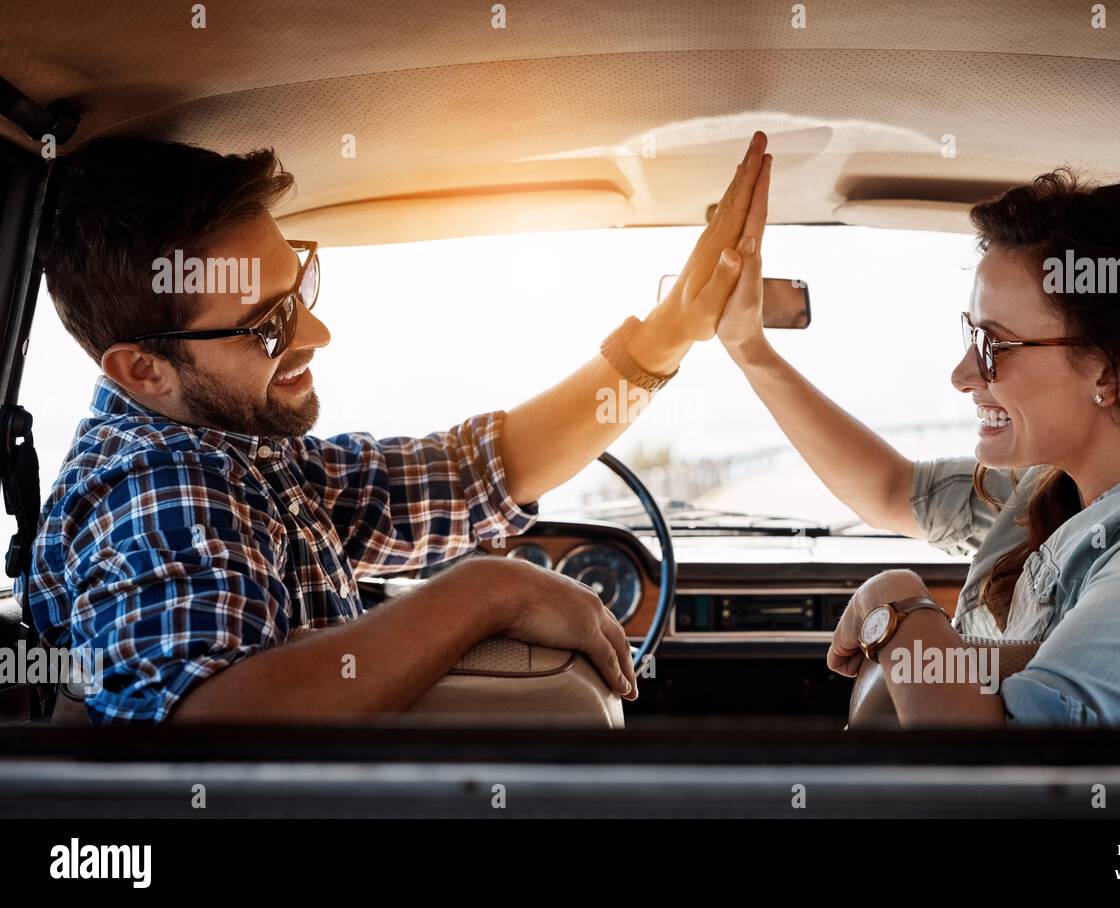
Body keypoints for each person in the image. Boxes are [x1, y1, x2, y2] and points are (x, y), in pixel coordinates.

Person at [23, 130, 774, 724]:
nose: (315, 331)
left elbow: (475, 473)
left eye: (302, 285)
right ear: (143, 371)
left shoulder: (240, 451)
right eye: (268, 324)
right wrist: (486, 591)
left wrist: (670, 332)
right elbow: (212, 724)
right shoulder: (157, 483)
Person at [717, 167, 1120, 726]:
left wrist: (897, 608)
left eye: (995, 345)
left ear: (1111, 372)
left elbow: (1009, 779)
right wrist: (750, 348)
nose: (963, 373)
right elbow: (894, 490)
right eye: (971, 335)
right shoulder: (1057, 482)